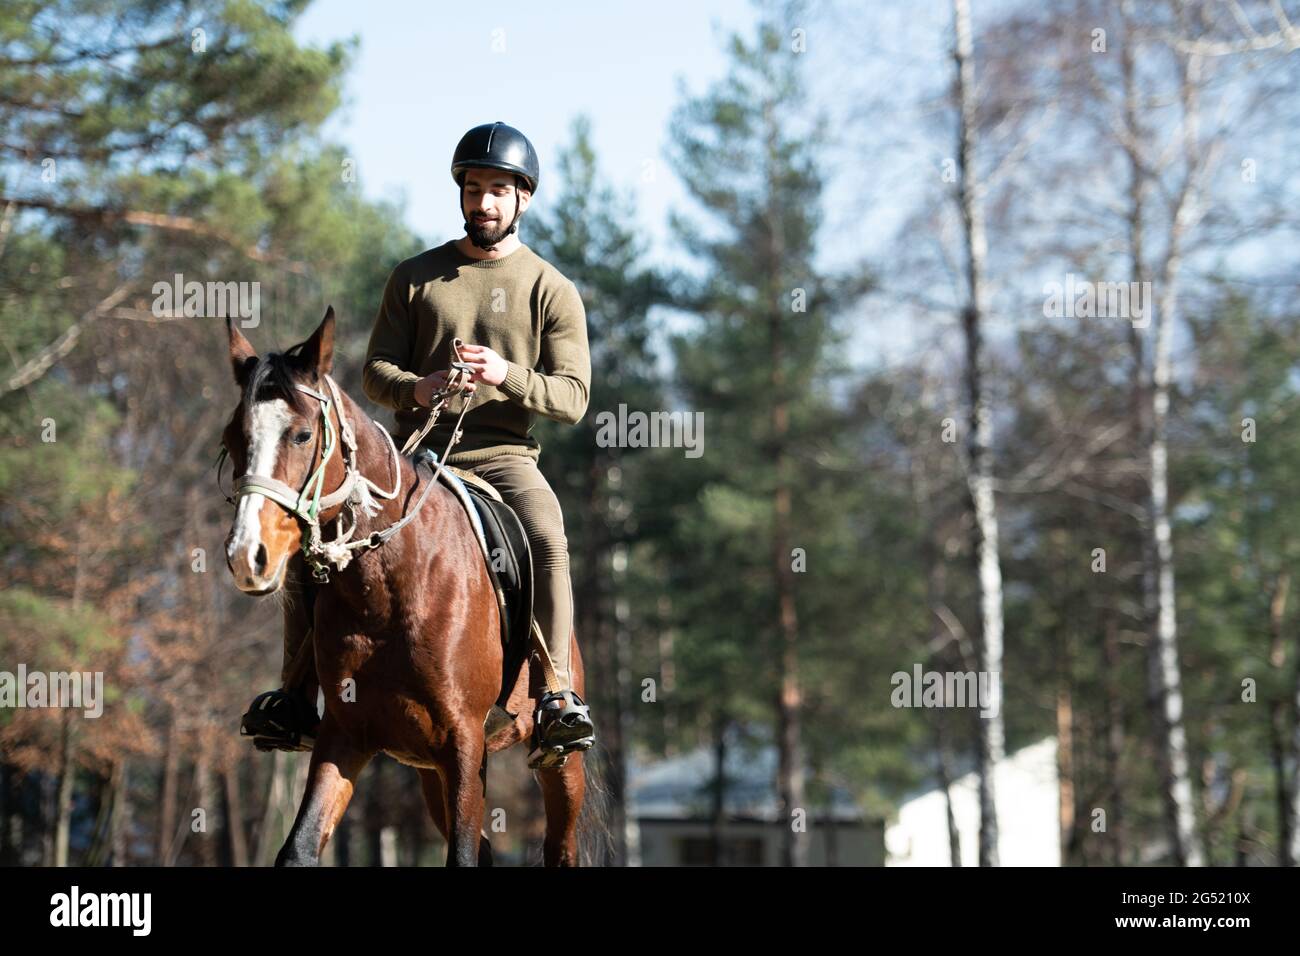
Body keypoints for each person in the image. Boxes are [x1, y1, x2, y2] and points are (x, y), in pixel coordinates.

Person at [240, 122, 595, 761]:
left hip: (504, 459)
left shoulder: (552, 289)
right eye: (473, 188)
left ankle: (556, 697)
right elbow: (375, 371)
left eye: (497, 191)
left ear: (524, 200)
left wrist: (504, 375)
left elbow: (572, 397)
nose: (483, 202)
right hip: (414, 458)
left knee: (547, 532)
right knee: (314, 535)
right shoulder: (416, 277)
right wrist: (421, 387)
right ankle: (293, 697)